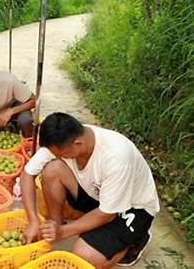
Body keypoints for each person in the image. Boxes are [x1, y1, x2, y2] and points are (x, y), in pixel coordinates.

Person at [21, 112, 160, 268]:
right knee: (51, 170)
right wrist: (33, 221)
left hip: (132, 208)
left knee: (85, 256)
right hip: (100, 196)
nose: (59, 156)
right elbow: (27, 173)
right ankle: (57, 223)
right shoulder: (63, 138)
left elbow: (106, 215)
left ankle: (136, 239)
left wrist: (63, 232)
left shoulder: (117, 157)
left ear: (78, 143)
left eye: (62, 154)